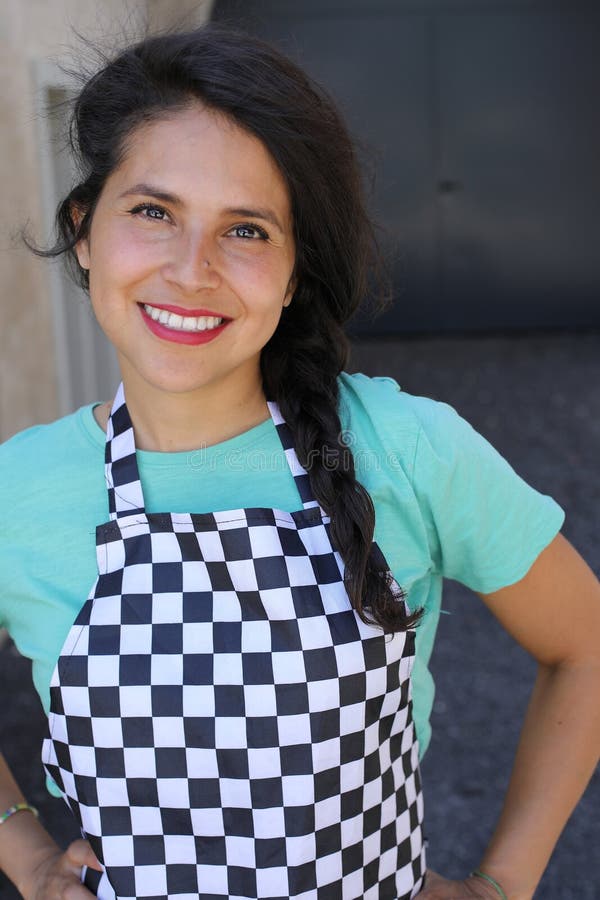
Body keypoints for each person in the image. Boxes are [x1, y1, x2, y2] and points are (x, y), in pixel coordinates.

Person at [0, 24, 598, 900]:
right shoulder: (21, 489)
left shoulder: (406, 448)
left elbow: (586, 645)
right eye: (153, 211)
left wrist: (500, 886)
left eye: (245, 230)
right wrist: (20, 850)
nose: (191, 269)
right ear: (85, 231)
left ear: (291, 275)